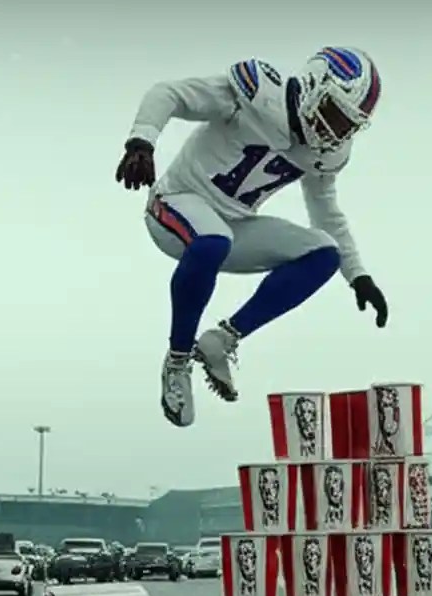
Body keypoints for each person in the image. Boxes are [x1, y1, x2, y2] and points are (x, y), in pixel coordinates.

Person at [115, 47, 389, 428]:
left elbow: (326, 213)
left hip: (232, 226)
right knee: (212, 240)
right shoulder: (257, 95)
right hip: (176, 205)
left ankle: (222, 339)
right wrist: (141, 141)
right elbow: (169, 93)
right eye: (333, 114)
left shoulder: (327, 153)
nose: (334, 131)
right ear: (312, 88)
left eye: (347, 125)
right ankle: (177, 361)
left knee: (325, 254)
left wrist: (358, 275)